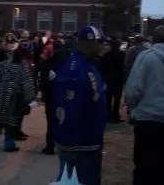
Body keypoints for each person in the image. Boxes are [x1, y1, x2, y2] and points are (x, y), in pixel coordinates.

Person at [125, 25, 164, 185]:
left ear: (153, 39)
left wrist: (131, 107)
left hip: (147, 120)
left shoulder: (146, 57)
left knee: (144, 167)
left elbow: (133, 89)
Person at [53, 26, 107, 185]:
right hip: (80, 145)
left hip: (90, 141)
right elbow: (67, 109)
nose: (103, 47)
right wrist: (69, 146)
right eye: (100, 43)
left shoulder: (89, 64)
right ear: (88, 43)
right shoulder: (75, 69)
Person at [0, 45, 36, 152]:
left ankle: (8, 141)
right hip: (14, 99)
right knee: (11, 121)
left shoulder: (3, 65)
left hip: (0, 96)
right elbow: (28, 87)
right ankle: (8, 144)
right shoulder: (22, 69)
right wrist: (30, 100)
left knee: (5, 119)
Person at [38, 37, 68, 155]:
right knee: (65, 121)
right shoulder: (68, 65)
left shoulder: (47, 64)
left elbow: (42, 83)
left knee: (51, 122)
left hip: (51, 97)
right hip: (65, 98)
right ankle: (64, 145)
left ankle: (50, 146)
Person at [101, 38, 125, 123]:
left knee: (108, 100)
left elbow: (102, 67)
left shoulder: (106, 55)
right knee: (117, 100)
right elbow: (124, 68)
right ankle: (116, 116)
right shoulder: (122, 55)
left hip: (109, 80)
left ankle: (108, 116)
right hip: (118, 80)